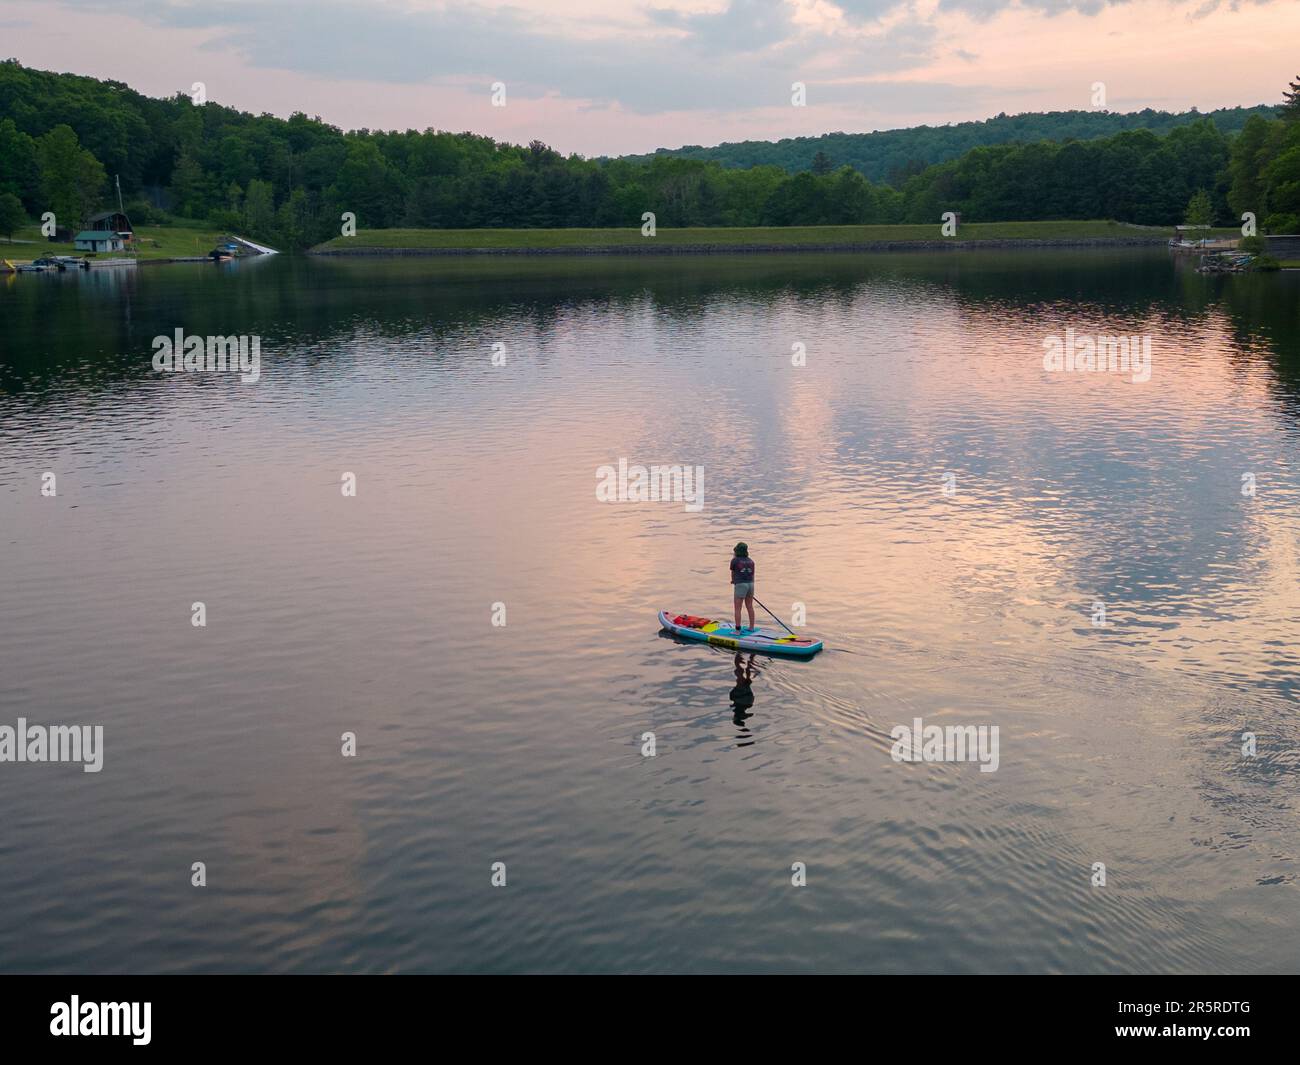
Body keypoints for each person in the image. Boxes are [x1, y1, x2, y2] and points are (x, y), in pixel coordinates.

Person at [730, 541, 755, 633]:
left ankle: (737, 631)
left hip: (740, 585)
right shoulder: (751, 561)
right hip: (751, 584)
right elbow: (752, 575)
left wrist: (733, 581)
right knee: (750, 606)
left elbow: (733, 573)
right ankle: (751, 627)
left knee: (737, 608)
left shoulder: (735, 560)